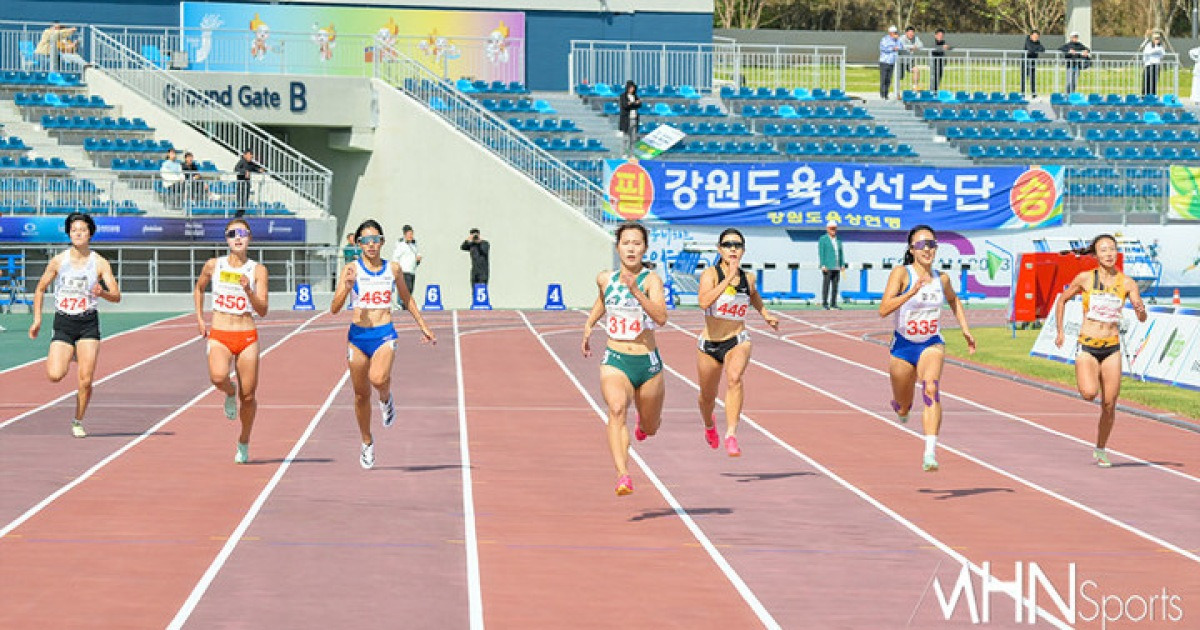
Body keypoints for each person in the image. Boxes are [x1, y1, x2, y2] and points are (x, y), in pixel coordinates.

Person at [331, 220, 436, 469]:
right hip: (358, 337)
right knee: (360, 395)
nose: (371, 245)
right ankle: (367, 442)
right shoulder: (351, 270)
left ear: (382, 241)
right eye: (366, 240)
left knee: (378, 379)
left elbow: (406, 298)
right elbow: (334, 309)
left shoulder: (394, 269)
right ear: (358, 244)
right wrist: (346, 289)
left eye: (375, 239)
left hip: (384, 333)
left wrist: (423, 325)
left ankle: (386, 399)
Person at [878, 225, 975, 472]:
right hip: (903, 346)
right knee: (903, 404)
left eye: (931, 244)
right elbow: (883, 309)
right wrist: (911, 292)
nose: (927, 249)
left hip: (931, 343)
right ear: (912, 249)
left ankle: (930, 452)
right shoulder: (902, 273)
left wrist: (965, 328)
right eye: (921, 245)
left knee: (930, 387)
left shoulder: (942, 279)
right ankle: (901, 407)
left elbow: (953, 300)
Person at [581, 222, 668, 495]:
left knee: (651, 427)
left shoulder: (651, 280)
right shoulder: (605, 278)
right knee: (617, 408)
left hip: (647, 363)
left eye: (637, 243)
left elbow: (661, 318)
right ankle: (623, 474)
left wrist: (636, 292)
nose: (631, 248)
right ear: (618, 247)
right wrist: (589, 324)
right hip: (616, 358)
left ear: (645, 248)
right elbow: (603, 300)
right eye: (626, 243)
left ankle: (645, 424)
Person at [1053, 234, 1147, 468]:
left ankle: (1101, 448)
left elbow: (1141, 316)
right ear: (1095, 255)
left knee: (1109, 404)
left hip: (1112, 347)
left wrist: (1140, 309)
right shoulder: (1085, 278)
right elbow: (1062, 300)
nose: (1109, 254)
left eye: (1112, 249)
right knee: (1088, 393)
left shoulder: (1127, 283)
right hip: (1088, 345)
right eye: (1103, 250)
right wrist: (1060, 332)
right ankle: (1087, 374)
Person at [27, 212, 121, 438]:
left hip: (87, 323)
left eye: (83, 230)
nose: (78, 233)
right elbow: (40, 289)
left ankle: (78, 420)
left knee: (86, 380)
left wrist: (103, 293)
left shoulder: (99, 263)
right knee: (54, 375)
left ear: (90, 234)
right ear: (69, 233)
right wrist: (37, 319)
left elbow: (116, 295)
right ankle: (72, 353)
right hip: (64, 322)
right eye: (74, 230)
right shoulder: (59, 261)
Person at [695, 229, 779, 457]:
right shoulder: (710, 274)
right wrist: (728, 279)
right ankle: (709, 425)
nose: (733, 248)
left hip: (737, 339)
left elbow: (753, 295)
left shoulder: (748, 278)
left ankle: (731, 434)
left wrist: (766, 314)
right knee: (706, 397)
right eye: (728, 244)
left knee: (734, 378)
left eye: (738, 245)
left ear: (743, 250)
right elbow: (703, 302)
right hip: (710, 344)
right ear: (719, 249)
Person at [192, 218, 269, 464]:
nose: (238, 238)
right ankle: (229, 391)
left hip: (246, 335)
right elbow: (199, 288)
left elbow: (264, 309)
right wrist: (201, 319)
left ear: (250, 238)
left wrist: (249, 291)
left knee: (249, 397)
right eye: (232, 233)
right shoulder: (214, 265)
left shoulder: (258, 270)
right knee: (217, 377)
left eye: (243, 233)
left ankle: (244, 440)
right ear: (226, 238)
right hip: (220, 333)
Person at [818, 220, 847, 310]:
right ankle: (825, 303)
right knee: (826, 285)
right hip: (827, 266)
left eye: (834, 229)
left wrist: (842, 264)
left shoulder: (838, 240)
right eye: (831, 229)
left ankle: (833, 303)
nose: (833, 230)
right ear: (827, 229)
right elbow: (821, 252)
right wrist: (823, 265)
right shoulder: (823, 239)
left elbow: (841, 253)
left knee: (835, 286)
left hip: (836, 266)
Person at [391, 224, 421, 307]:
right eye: (409, 234)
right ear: (405, 235)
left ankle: (404, 304)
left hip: (412, 271)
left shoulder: (414, 245)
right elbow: (395, 257)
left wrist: (418, 260)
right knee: (405, 290)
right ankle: (402, 305)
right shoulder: (401, 245)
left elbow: (417, 255)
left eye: (412, 234)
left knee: (410, 290)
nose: (411, 236)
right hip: (403, 271)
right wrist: (396, 269)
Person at [234, 149, 264, 214]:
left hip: (247, 184)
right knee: (241, 200)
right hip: (241, 184)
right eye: (250, 155)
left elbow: (254, 167)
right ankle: (238, 214)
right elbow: (236, 169)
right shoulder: (242, 161)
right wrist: (245, 172)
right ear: (245, 155)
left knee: (245, 200)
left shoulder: (250, 163)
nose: (251, 157)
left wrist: (259, 170)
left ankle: (242, 213)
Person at [618, 80, 642, 158]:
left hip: (634, 119)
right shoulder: (623, 96)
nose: (632, 89)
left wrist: (632, 104)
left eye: (633, 88)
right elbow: (625, 106)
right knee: (626, 138)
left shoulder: (635, 96)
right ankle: (624, 153)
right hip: (626, 120)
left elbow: (639, 105)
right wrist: (634, 103)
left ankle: (632, 154)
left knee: (633, 138)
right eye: (631, 88)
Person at [1140, 31, 1166, 96]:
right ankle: (1144, 96)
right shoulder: (1149, 45)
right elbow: (1147, 52)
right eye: (1155, 38)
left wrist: (1155, 51)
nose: (1157, 40)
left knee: (1154, 81)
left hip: (1156, 65)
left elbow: (1162, 54)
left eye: (1158, 38)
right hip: (1148, 65)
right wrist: (1155, 51)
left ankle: (1153, 95)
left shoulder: (1160, 47)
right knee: (1146, 81)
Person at [879, 26, 901, 100]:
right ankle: (882, 94)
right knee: (884, 78)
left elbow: (900, 47)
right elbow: (883, 48)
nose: (895, 34)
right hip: (885, 61)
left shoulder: (897, 40)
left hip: (892, 62)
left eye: (896, 33)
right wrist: (892, 48)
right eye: (894, 33)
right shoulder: (885, 39)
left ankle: (886, 94)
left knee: (889, 79)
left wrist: (897, 41)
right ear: (890, 33)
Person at [1021, 30, 1045, 97]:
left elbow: (1042, 49)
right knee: (1024, 78)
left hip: (1033, 62)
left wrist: (1035, 49)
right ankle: (1023, 93)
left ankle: (1033, 93)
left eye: (1037, 37)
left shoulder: (1038, 42)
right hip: (1025, 62)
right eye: (1034, 36)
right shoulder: (1027, 40)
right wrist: (1036, 49)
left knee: (1033, 78)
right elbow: (1030, 49)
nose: (1036, 38)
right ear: (1031, 36)